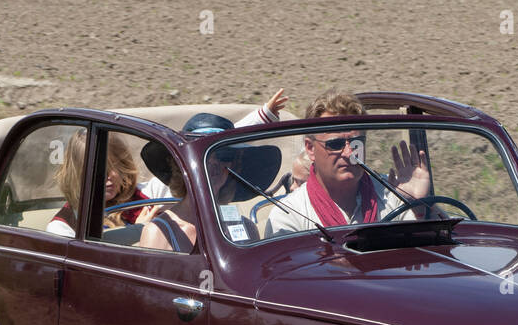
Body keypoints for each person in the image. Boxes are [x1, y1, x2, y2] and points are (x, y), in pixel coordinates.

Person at [263, 91, 430, 237]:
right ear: (310, 148)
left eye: (357, 143)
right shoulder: (289, 214)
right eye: (335, 144)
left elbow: (429, 254)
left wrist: (419, 205)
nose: (349, 153)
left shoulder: (394, 193)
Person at [141, 89, 290, 199]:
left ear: (234, 165)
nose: (213, 162)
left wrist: (264, 116)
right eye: (201, 155)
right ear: (181, 164)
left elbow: (224, 140)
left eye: (224, 156)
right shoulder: (159, 197)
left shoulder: (241, 227)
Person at [46, 130, 160, 237]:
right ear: (76, 175)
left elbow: (176, 182)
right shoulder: (63, 227)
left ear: (123, 166)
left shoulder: (150, 194)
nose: (107, 177)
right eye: (96, 170)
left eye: (113, 166)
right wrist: (138, 231)